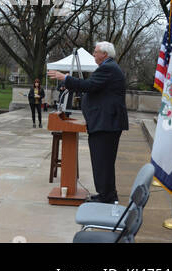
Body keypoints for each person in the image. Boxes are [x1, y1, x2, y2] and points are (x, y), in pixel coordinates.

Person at [48, 41, 128, 204]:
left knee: (103, 161)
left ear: (104, 54)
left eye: (95, 51)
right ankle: (107, 194)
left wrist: (65, 78)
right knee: (103, 162)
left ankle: (107, 196)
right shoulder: (108, 67)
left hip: (106, 124)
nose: (93, 53)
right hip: (106, 123)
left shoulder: (108, 68)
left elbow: (89, 85)